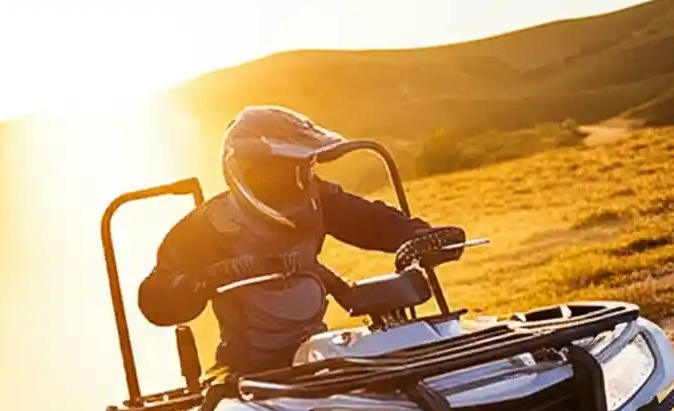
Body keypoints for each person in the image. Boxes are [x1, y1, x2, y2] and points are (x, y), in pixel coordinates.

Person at [138, 105, 465, 375]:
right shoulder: (211, 225)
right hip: (244, 375)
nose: (304, 176)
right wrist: (211, 277)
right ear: (251, 170)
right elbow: (153, 299)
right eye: (291, 167)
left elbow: (370, 220)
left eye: (307, 165)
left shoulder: (317, 199)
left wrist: (419, 235)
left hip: (313, 357)